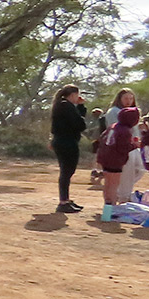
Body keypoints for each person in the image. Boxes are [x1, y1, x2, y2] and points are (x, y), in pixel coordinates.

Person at [95, 105, 140, 221]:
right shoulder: (125, 131)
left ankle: (107, 206)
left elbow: (102, 138)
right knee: (114, 185)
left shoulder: (113, 127)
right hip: (115, 160)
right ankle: (112, 209)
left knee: (108, 183)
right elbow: (123, 148)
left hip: (105, 158)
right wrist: (135, 145)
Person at [49, 85, 88, 213]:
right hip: (66, 142)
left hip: (63, 141)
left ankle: (65, 199)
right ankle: (63, 201)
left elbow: (77, 121)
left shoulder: (63, 105)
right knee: (67, 171)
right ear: (73, 95)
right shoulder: (66, 106)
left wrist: (80, 107)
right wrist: (80, 108)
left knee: (67, 171)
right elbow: (80, 124)